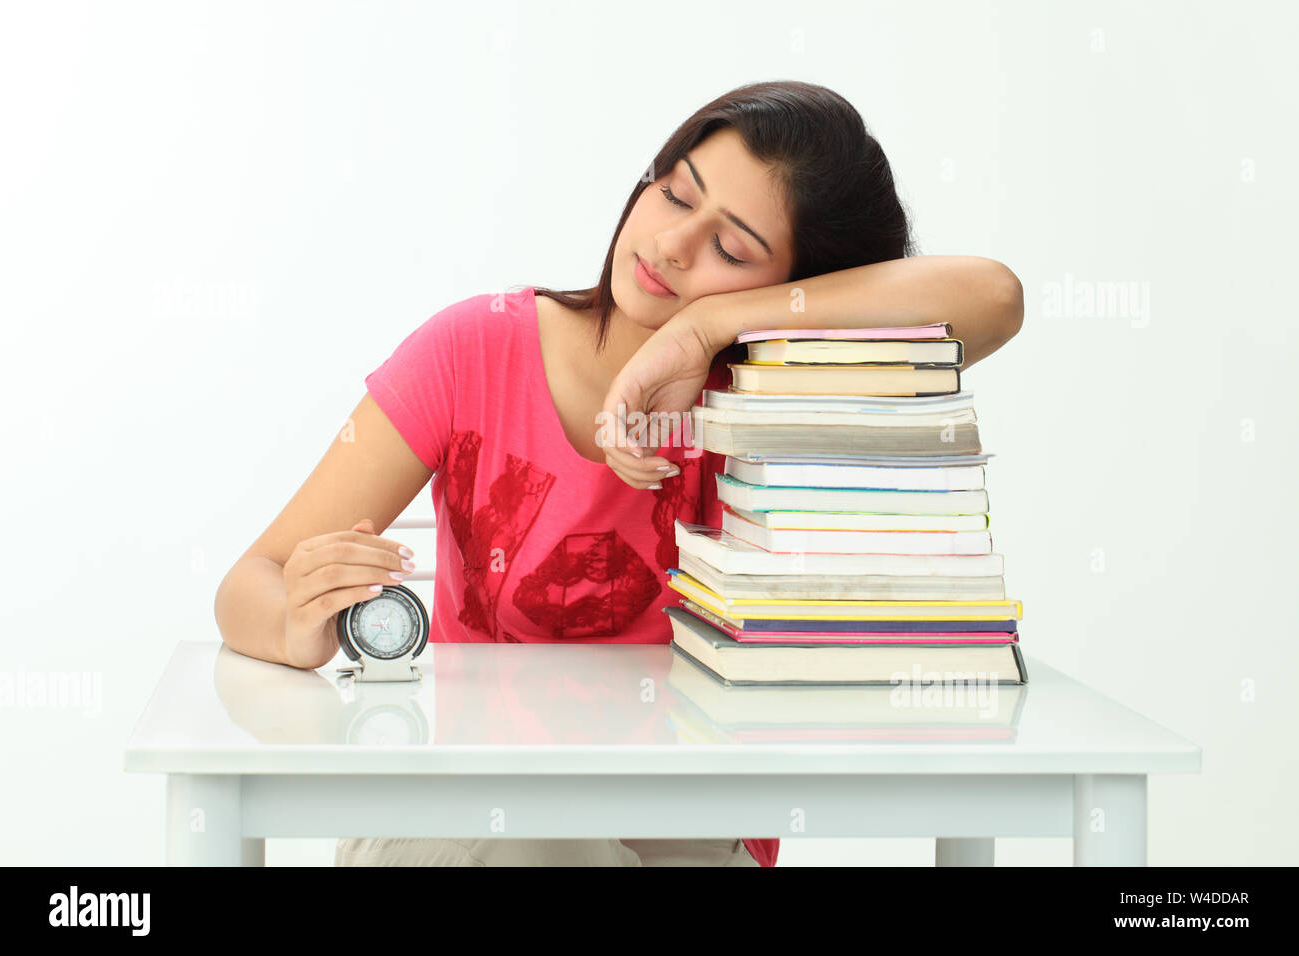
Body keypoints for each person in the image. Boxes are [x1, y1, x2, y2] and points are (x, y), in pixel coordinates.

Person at [214, 80, 1025, 867]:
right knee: (541, 840)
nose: (673, 246)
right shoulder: (471, 352)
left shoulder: (775, 391)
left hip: (687, 827)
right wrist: (295, 622)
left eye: (731, 248)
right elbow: (250, 581)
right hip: (470, 808)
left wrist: (707, 327)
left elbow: (994, 297)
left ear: (797, 287)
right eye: (676, 196)